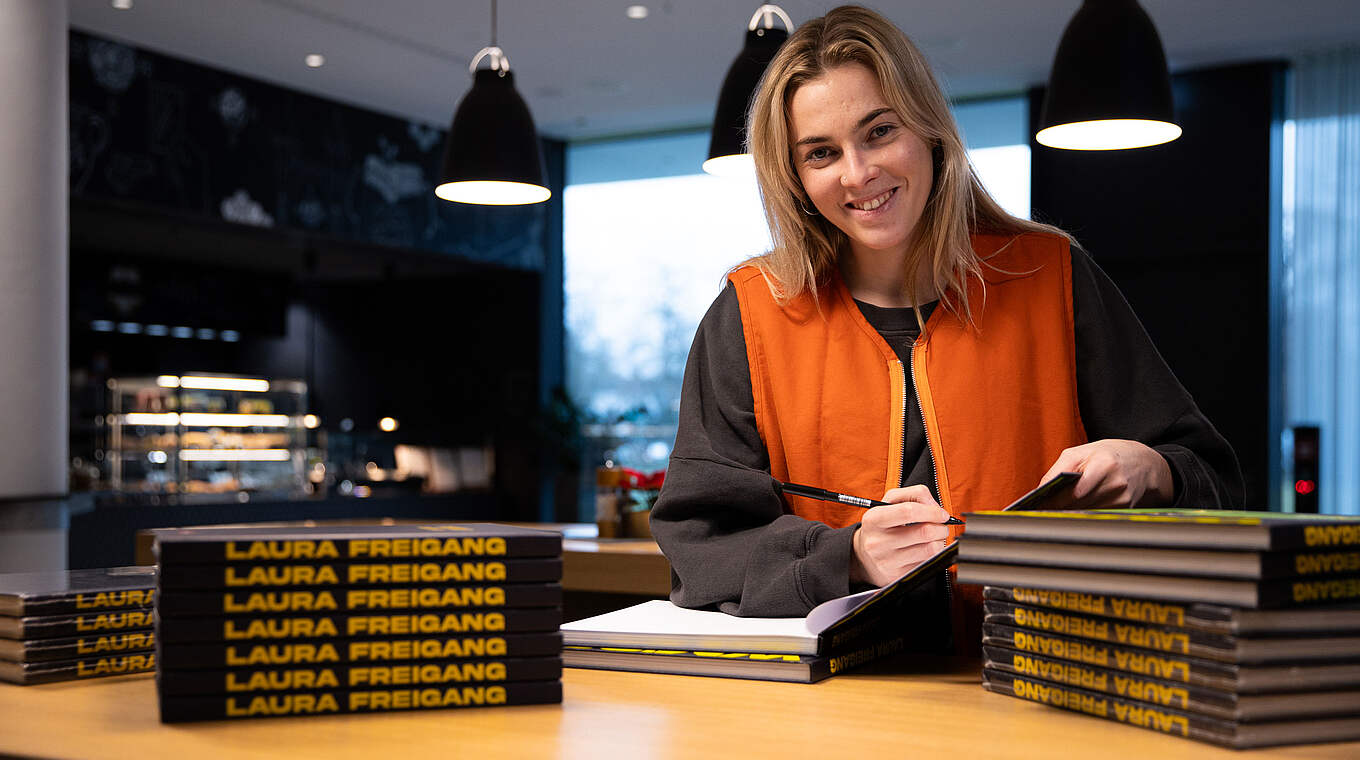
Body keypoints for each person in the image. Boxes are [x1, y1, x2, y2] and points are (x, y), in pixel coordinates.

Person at [648, 5, 1243, 647]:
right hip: (831, 702)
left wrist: (1151, 467)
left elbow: (1216, 481)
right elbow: (699, 548)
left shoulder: (1053, 277)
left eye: (879, 131)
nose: (857, 173)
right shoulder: (749, 313)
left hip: (1048, 677)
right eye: (821, 153)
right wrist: (845, 557)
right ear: (793, 176)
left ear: (929, 129)